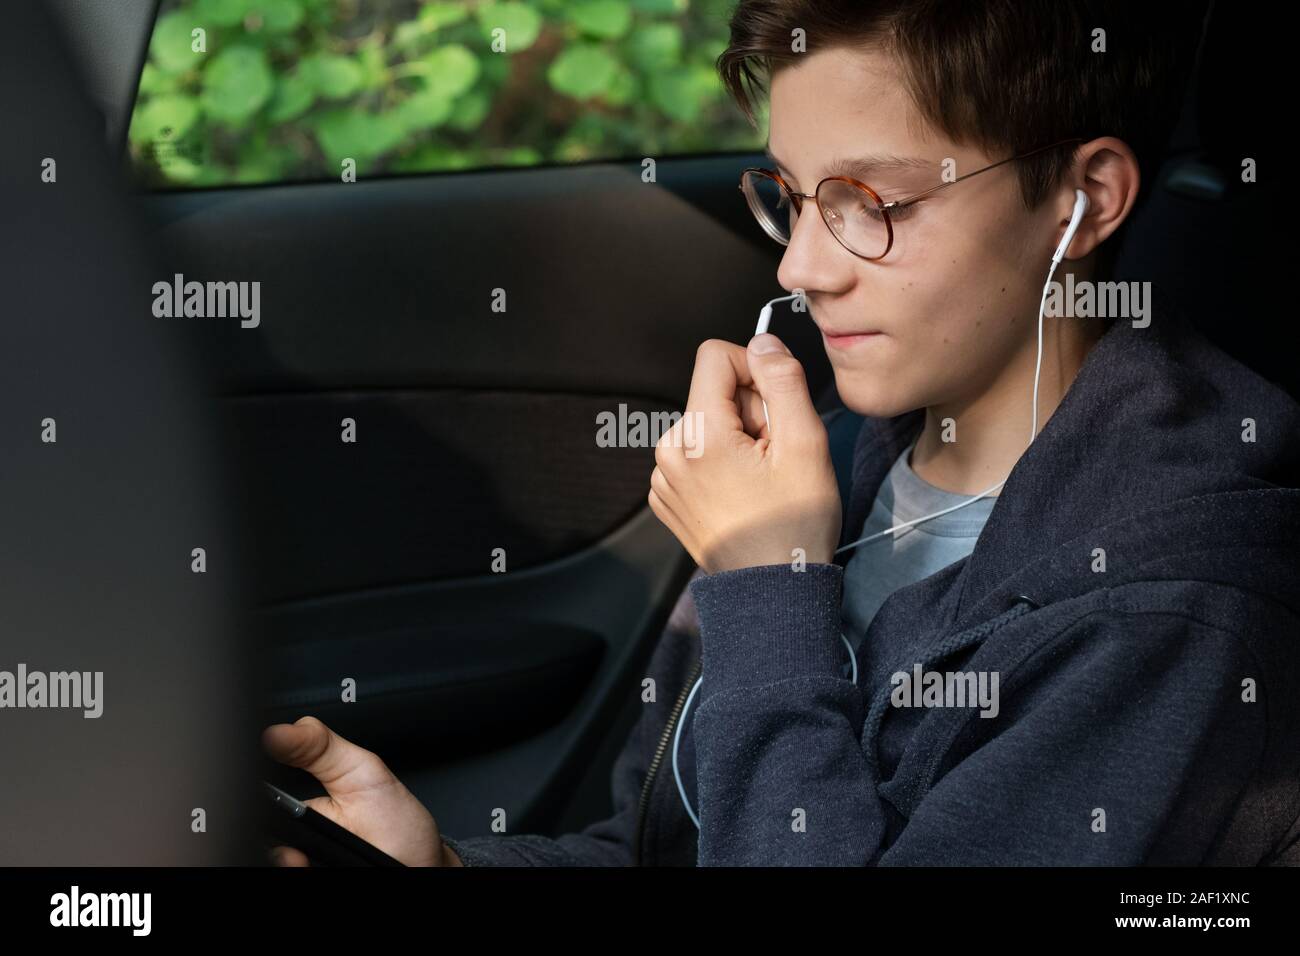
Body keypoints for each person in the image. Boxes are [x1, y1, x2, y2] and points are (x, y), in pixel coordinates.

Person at [264, 0, 1300, 867]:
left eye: (870, 201)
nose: (799, 268)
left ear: (1086, 197)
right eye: (796, 197)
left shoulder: (1169, 613)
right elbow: (663, 846)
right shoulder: (840, 461)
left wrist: (765, 587)